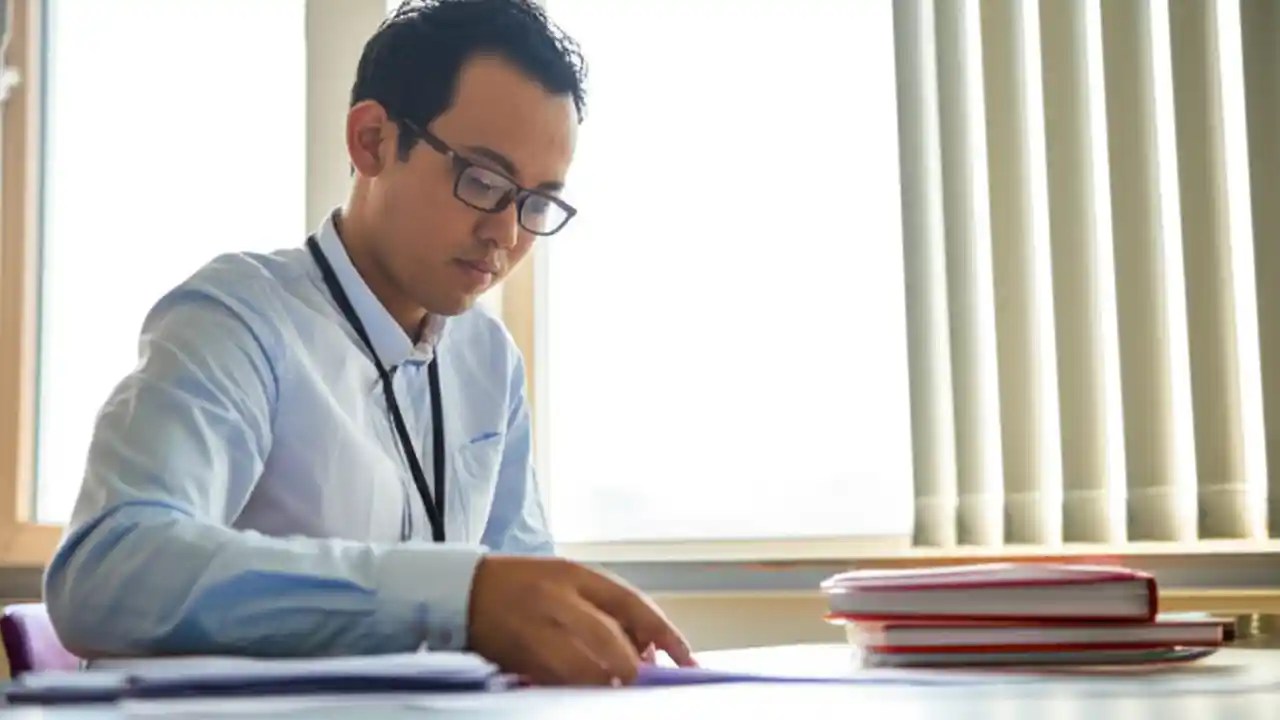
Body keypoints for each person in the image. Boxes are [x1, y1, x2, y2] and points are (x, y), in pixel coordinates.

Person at [43, 0, 694, 686]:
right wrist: (456, 597)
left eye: (536, 203)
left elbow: (519, 583)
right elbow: (109, 571)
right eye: (481, 180)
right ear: (372, 141)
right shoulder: (239, 317)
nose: (506, 235)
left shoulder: (487, 360)